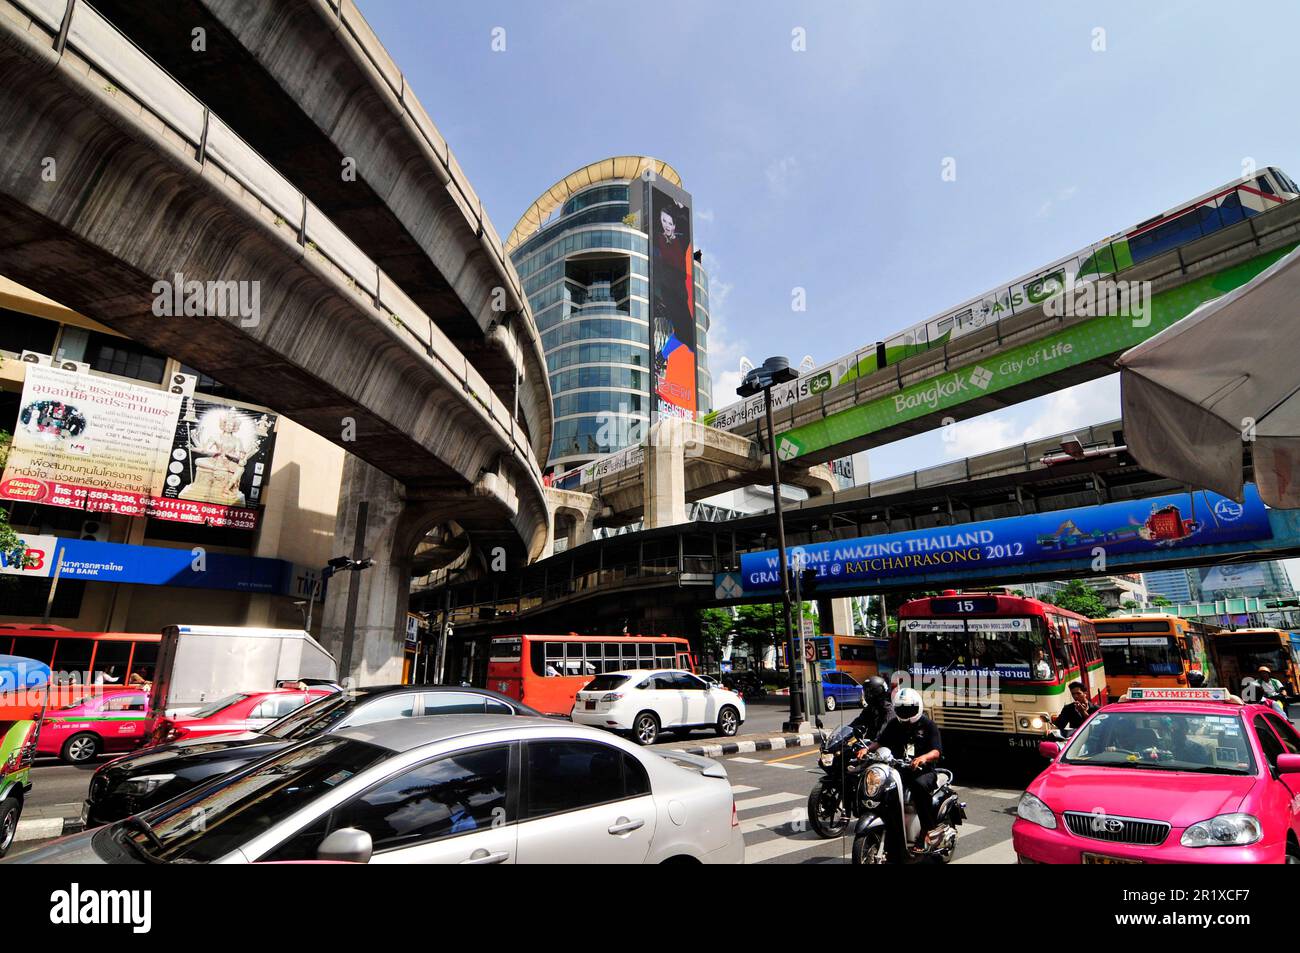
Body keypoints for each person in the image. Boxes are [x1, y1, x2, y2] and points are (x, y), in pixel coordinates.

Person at [866, 687, 943, 847]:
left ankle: (928, 829)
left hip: (924, 771)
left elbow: (936, 752)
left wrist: (923, 758)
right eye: (902, 709)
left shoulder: (928, 725)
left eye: (909, 709)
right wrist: (866, 749)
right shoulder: (895, 724)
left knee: (918, 786)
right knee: (881, 786)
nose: (906, 712)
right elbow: (881, 742)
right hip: (899, 770)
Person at [848, 675, 894, 741]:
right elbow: (857, 722)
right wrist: (842, 735)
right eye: (866, 692)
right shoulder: (871, 708)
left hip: (883, 746)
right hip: (869, 744)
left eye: (869, 692)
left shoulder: (888, 711)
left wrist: (870, 746)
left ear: (878, 692)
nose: (867, 695)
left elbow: (883, 734)